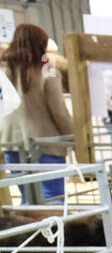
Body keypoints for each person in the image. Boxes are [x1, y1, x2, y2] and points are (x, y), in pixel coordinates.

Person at [0, 23, 74, 201]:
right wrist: (74, 137)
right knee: (52, 197)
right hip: (45, 143)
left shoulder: (3, 73)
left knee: (27, 197)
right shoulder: (48, 72)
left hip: (11, 143)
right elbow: (59, 111)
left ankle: (31, 228)